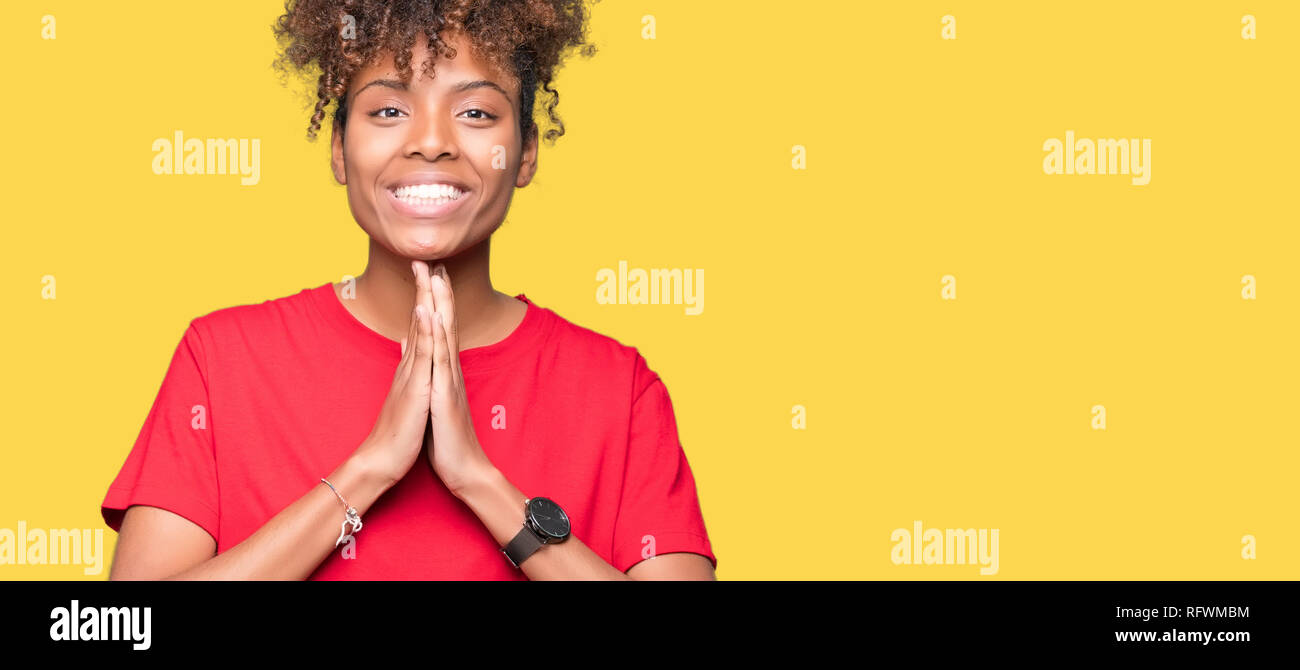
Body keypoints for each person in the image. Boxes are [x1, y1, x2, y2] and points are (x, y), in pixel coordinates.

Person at [100, 0, 716, 580]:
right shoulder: (222, 360)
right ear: (340, 149)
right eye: (389, 111)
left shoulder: (618, 388)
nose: (431, 141)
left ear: (526, 152)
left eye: (475, 112)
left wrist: (481, 481)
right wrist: (368, 469)